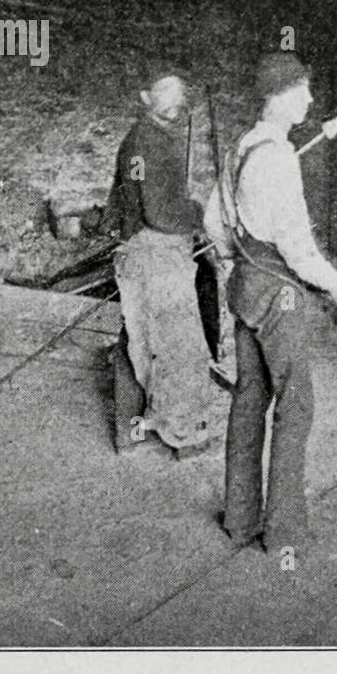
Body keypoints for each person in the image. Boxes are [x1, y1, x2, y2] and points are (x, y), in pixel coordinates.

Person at [207, 53, 337, 552]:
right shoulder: (276, 159)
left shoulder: (244, 147)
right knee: (296, 404)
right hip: (278, 297)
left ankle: (240, 517)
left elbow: (213, 221)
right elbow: (298, 251)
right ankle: (284, 531)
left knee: (250, 397)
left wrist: (239, 252)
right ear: (280, 95)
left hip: (245, 289)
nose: (311, 100)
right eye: (304, 91)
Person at [103, 74, 219, 450]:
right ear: (144, 96)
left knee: (141, 340)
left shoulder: (140, 138)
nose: (174, 99)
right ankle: (180, 434)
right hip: (156, 254)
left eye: (179, 92)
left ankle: (131, 430)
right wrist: (201, 215)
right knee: (180, 347)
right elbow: (160, 213)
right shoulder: (148, 143)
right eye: (164, 91)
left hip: (140, 250)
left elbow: (133, 198)